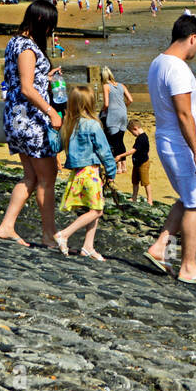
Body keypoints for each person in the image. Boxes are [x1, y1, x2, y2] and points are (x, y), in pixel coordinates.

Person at [143, 15, 196, 287]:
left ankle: (160, 247)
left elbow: (176, 103)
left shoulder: (158, 62)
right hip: (181, 143)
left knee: (186, 198)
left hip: (168, 138)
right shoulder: (177, 68)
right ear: (192, 38)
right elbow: (184, 115)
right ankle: (188, 265)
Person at [0, 0, 62, 249]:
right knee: (47, 177)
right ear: (42, 21)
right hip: (30, 119)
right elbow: (26, 87)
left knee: (32, 177)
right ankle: (49, 236)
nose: (50, 32)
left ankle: (7, 226)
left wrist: (45, 78)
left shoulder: (15, 42)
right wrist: (51, 111)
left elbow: (22, 79)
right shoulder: (26, 46)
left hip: (17, 118)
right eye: (50, 26)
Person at [54, 84, 117, 261]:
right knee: (96, 210)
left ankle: (88, 246)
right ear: (90, 103)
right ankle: (64, 234)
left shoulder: (68, 125)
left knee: (93, 207)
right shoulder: (93, 125)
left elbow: (55, 147)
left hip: (77, 174)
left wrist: (53, 128)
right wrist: (111, 171)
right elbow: (104, 151)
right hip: (90, 172)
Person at [101, 68, 133, 190]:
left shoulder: (106, 86)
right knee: (120, 139)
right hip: (123, 114)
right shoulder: (121, 85)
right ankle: (124, 165)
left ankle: (119, 165)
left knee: (114, 141)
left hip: (113, 115)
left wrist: (102, 111)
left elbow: (106, 104)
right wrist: (123, 107)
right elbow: (130, 99)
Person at [127, 119, 153, 204]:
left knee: (145, 182)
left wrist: (121, 155)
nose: (133, 135)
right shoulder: (140, 137)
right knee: (135, 181)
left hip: (143, 163)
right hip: (136, 163)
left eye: (132, 132)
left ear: (135, 128)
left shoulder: (142, 138)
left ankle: (150, 200)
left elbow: (133, 150)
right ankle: (134, 197)